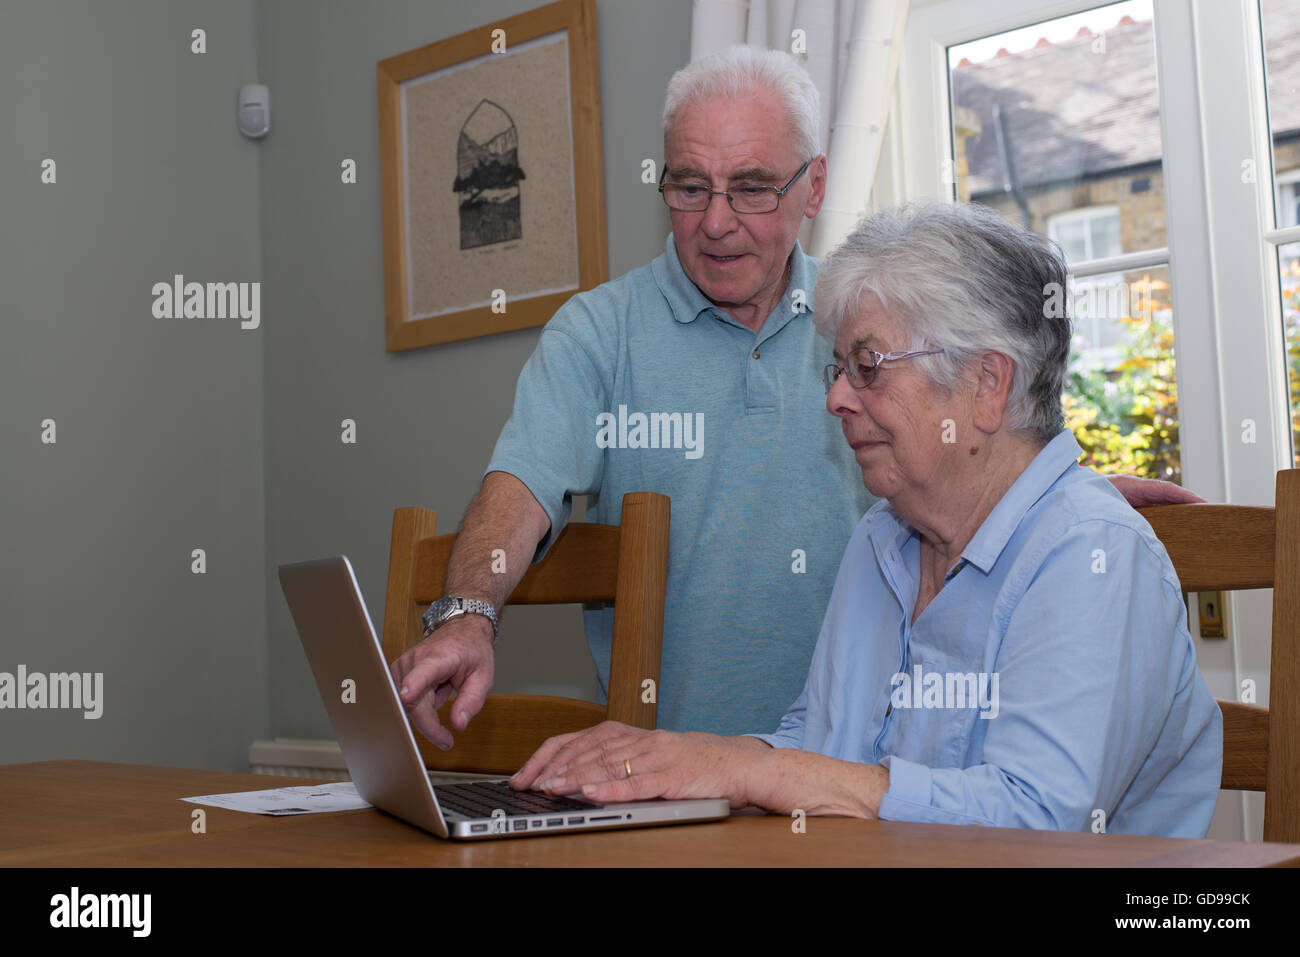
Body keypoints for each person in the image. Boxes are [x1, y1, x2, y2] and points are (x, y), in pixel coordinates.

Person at [390, 46, 1201, 747]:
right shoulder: (598, 331)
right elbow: (522, 485)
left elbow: (969, 452)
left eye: (750, 187)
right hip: (677, 780)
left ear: (813, 187)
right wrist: (468, 609)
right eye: (688, 186)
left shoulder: (871, 323)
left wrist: (1047, 501)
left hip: (860, 766)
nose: (715, 221)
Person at [506, 202, 1224, 838]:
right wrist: (686, 764)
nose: (838, 399)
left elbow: (1037, 820)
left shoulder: (1092, 555)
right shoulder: (882, 540)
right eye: (838, 368)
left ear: (987, 384)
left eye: (870, 365)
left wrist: (754, 771)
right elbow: (813, 741)